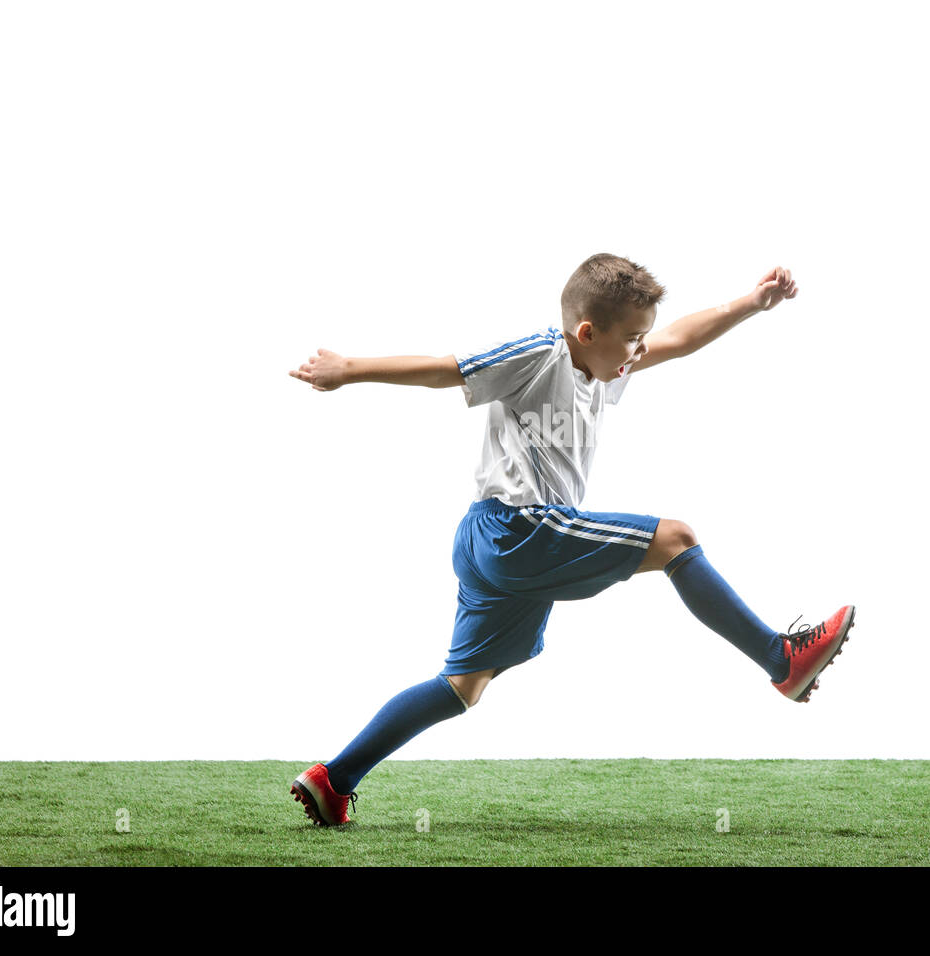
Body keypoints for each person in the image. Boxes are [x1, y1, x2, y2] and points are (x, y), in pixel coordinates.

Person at [285, 252, 857, 826]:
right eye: (632, 338)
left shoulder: (606, 367)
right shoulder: (540, 354)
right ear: (587, 332)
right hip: (518, 529)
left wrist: (752, 303)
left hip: (495, 542)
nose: (641, 349)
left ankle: (334, 779)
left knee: (463, 686)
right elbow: (445, 369)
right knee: (675, 539)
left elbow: (679, 339)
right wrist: (347, 368)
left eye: (643, 337)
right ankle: (780, 659)